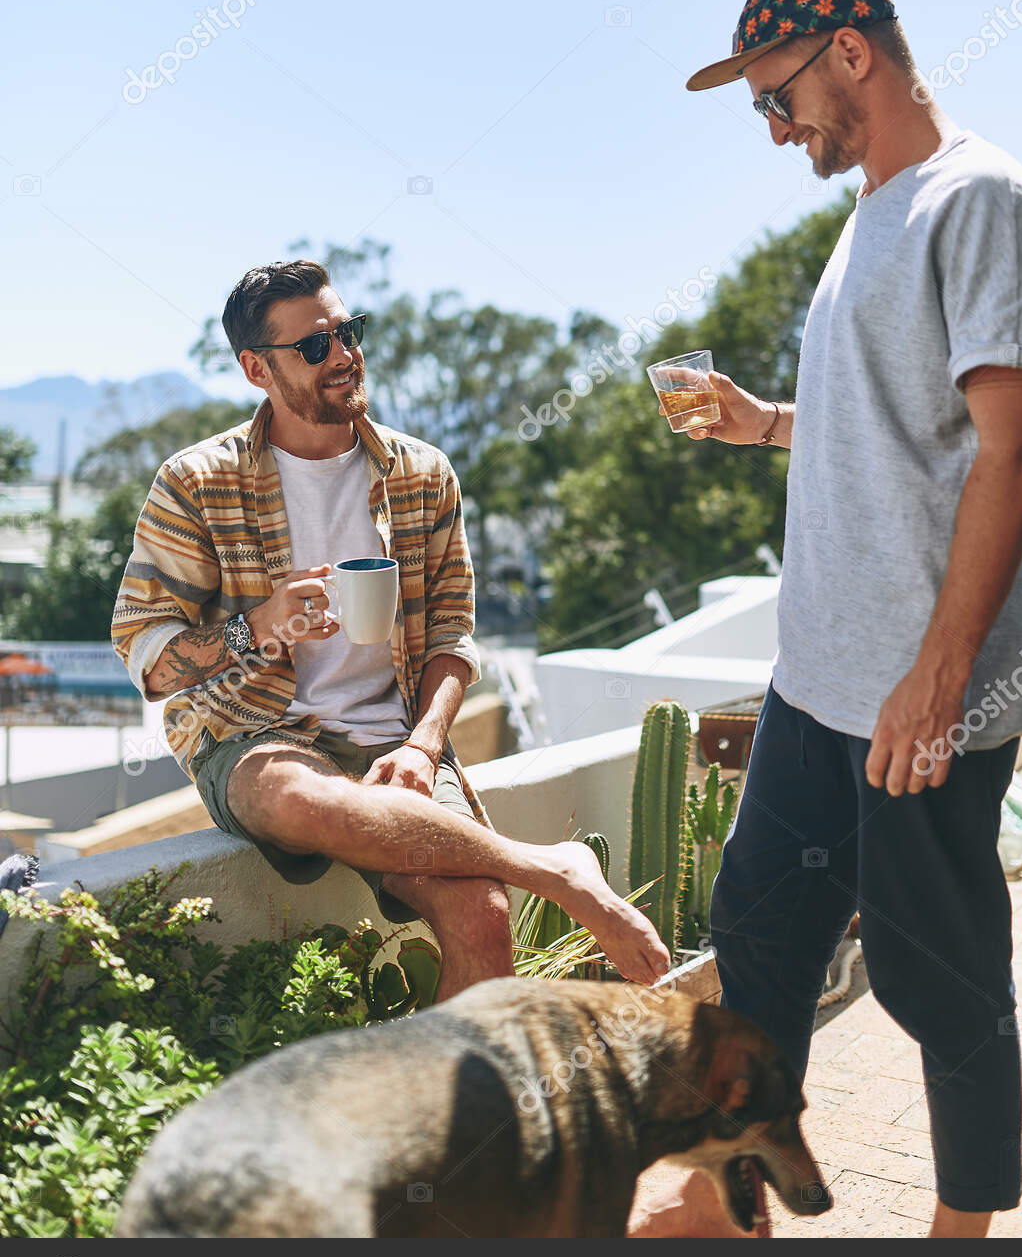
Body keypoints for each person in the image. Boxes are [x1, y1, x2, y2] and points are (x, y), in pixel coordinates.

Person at [686, 0, 1022, 1238]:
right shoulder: (868, 214)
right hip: (816, 677)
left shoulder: (984, 199)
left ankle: (959, 1245)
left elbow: (1010, 443)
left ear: (850, 52)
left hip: (919, 683)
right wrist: (764, 423)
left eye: (774, 97)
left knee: (933, 965)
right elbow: (898, 424)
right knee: (757, 922)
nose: (774, 129)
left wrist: (943, 669)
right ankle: (733, 1196)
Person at [112, 260, 670, 1001]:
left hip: (395, 736)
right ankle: (551, 867)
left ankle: (456, 1117)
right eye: (315, 346)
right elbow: (149, 657)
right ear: (256, 368)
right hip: (257, 732)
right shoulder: (197, 482)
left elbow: (452, 636)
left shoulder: (421, 473)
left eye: (349, 332)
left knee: (483, 914)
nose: (344, 355)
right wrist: (260, 626)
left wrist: (421, 745)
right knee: (291, 798)